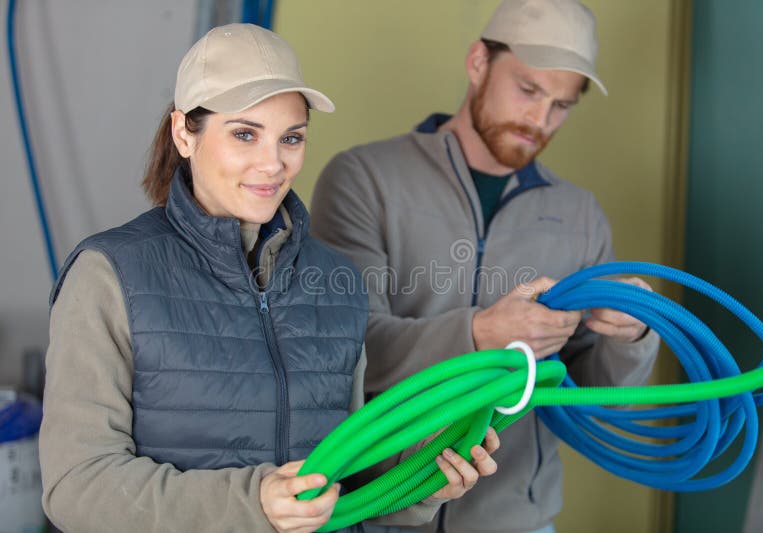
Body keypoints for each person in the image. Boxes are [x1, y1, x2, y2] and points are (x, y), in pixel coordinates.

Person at [39, 23, 500, 533]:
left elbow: (347, 471)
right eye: (244, 134)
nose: (273, 163)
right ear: (182, 134)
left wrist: (421, 478)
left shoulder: (336, 281)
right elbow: (77, 487)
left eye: (292, 138)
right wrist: (251, 502)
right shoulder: (110, 274)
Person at [310, 1, 660, 532]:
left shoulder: (581, 216)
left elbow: (602, 403)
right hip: (380, 508)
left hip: (516, 519)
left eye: (562, 105)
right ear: (478, 63)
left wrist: (632, 335)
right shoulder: (364, 179)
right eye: (528, 90)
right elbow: (344, 351)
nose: (540, 121)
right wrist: (478, 334)